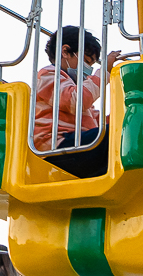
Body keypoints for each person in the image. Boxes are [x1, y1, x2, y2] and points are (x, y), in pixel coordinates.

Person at [32, 25, 120, 179]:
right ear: (65, 51)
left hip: (75, 144)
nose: (89, 70)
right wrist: (104, 72)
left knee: (121, 132)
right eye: (86, 61)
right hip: (55, 148)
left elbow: (97, 121)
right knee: (114, 136)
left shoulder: (76, 89)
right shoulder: (48, 75)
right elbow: (76, 101)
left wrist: (125, 116)